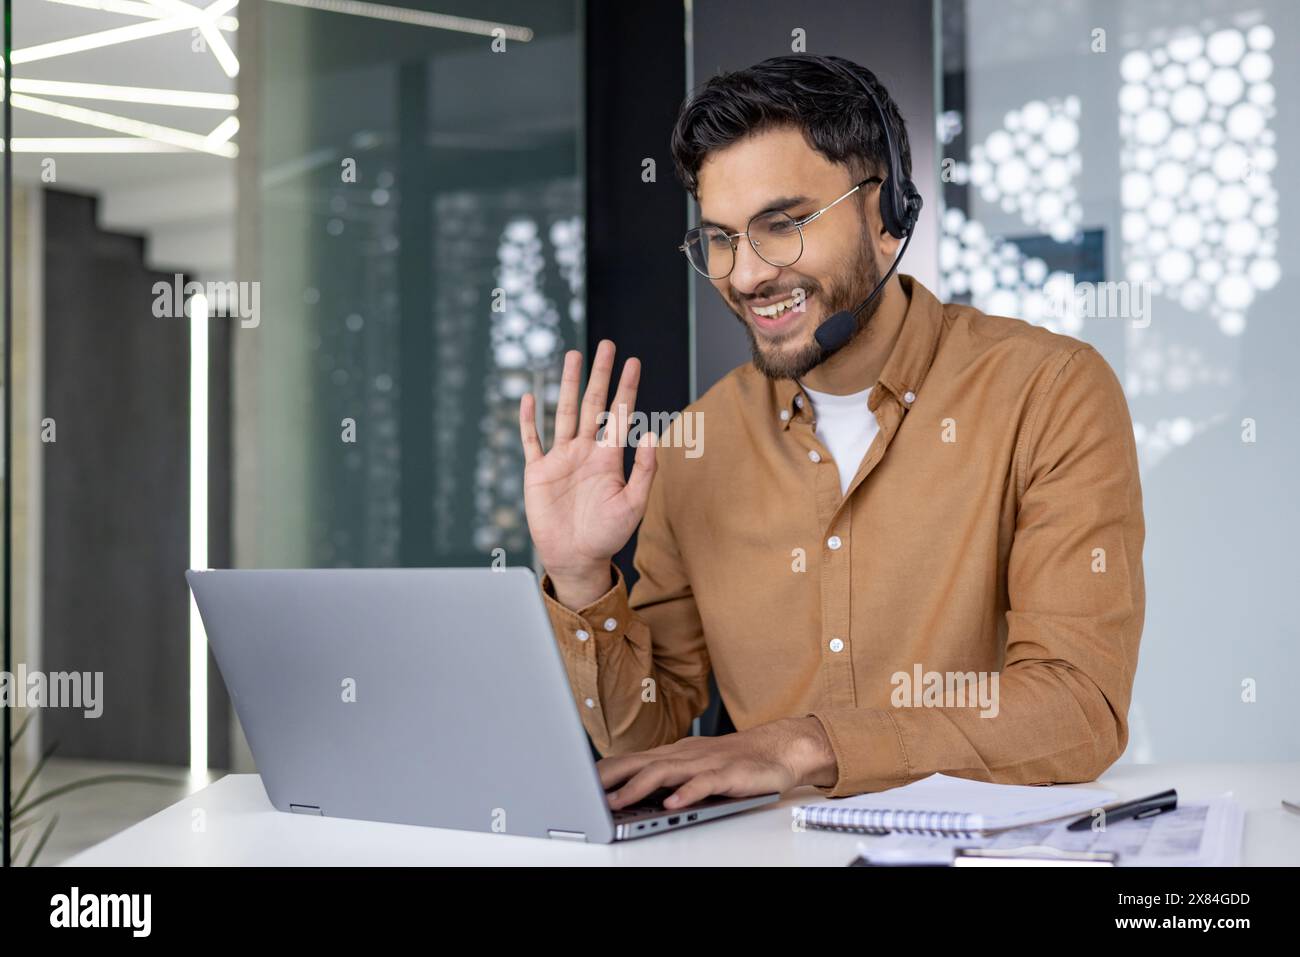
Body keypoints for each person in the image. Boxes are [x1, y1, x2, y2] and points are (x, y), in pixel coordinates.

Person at [518, 54, 1145, 811]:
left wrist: (804, 744)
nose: (745, 275)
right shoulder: (692, 445)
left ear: (888, 216)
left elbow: (1079, 709)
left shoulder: (1050, 392)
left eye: (782, 225)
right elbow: (651, 740)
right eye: (719, 238)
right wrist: (583, 577)